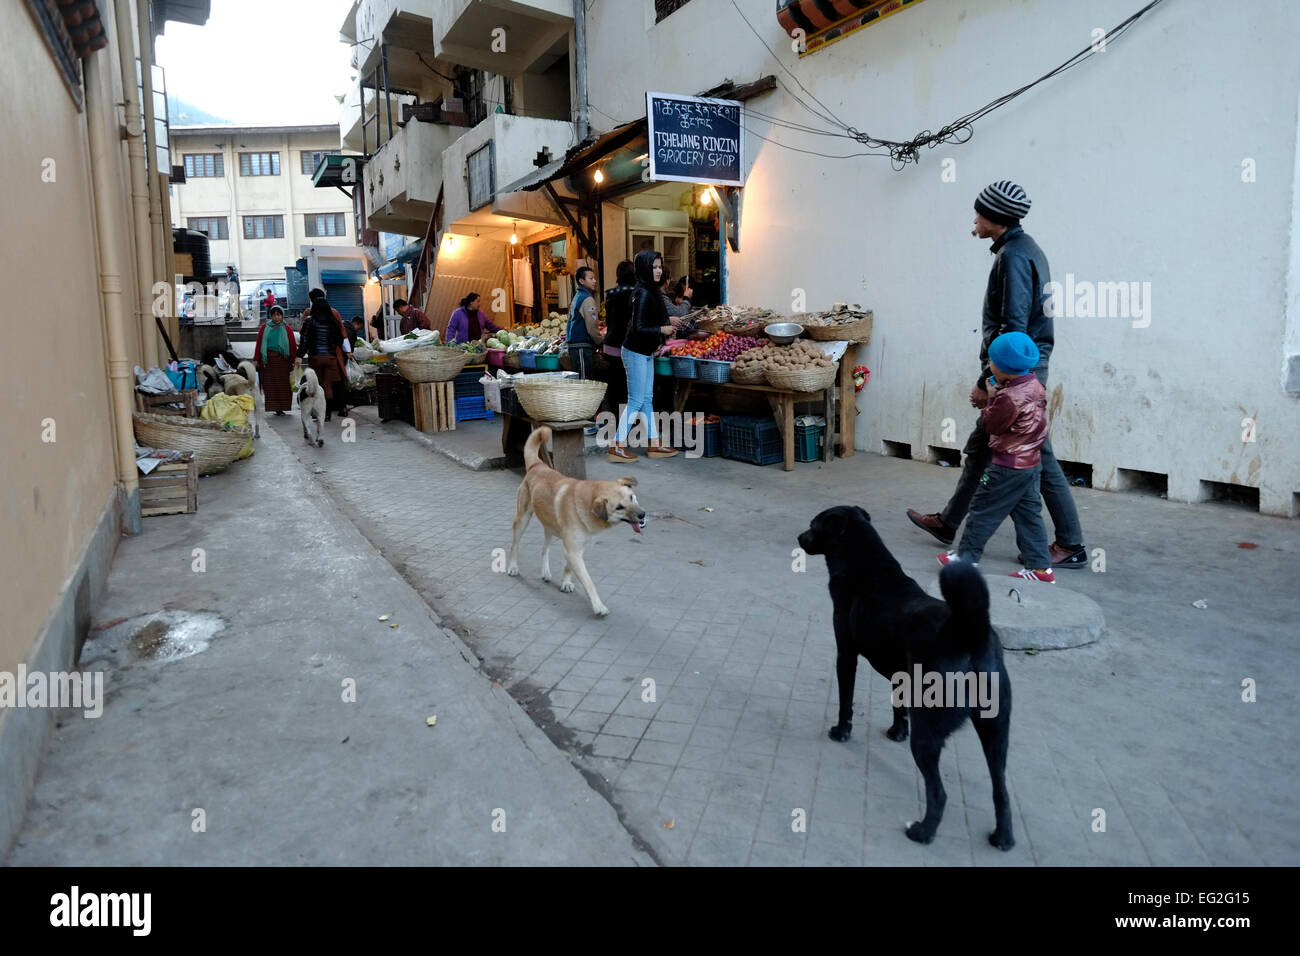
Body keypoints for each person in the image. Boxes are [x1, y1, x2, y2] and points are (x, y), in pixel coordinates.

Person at [907, 181, 1086, 569]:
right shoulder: (1021, 249)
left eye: (979, 213)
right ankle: (949, 521)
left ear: (996, 218)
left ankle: (1071, 543)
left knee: (1038, 454)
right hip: (1018, 365)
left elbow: (1014, 328)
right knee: (983, 447)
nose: (974, 220)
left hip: (1017, 368)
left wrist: (989, 381)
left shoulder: (1015, 257)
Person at [937, 332, 1055, 583]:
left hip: (1006, 465)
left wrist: (991, 398)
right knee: (1028, 513)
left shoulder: (1008, 398)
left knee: (982, 510)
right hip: (1030, 463)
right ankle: (1040, 567)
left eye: (991, 362)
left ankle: (965, 559)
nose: (989, 365)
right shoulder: (1035, 386)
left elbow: (992, 425)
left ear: (1003, 368)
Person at [610, 249, 682, 461]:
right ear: (644, 269)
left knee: (647, 399)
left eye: (660, 266)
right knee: (635, 401)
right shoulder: (642, 293)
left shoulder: (652, 291)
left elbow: (651, 323)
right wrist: (662, 330)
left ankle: (654, 443)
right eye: (654, 267)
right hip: (635, 352)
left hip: (645, 352)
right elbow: (638, 328)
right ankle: (617, 446)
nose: (659, 271)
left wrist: (664, 330)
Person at [297, 295, 349, 420]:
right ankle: (328, 414)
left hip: (315, 358)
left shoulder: (310, 321)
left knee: (317, 386)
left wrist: (299, 355)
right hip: (330, 358)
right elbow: (340, 339)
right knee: (328, 385)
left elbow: (303, 340)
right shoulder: (333, 321)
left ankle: (319, 412)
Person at [600, 260, 637, 418]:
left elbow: (609, 321)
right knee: (629, 387)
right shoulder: (635, 294)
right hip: (627, 346)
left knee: (615, 386)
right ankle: (628, 422)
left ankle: (615, 419)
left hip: (610, 345)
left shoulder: (611, 294)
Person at [253, 306, 297, 416]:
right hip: (268, 362)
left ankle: (282, 407)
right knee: (270, 385)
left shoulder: (287, 329)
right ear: (271, 316)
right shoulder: (265, 328)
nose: (276, 317)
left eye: (279, 315)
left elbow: (292, 346)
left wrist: (293, 360)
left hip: (283, 362)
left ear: (282, 315)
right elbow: (259, 344)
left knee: (283, 385)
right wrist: (256, 359)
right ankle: (274, 407)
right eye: (274, 315)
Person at [565, 265, 604, 380]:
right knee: (584, 381)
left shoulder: (577, 296)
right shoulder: (587, 299)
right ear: (582, 281)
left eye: (594, 278)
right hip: (581, 346)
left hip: (574, 346)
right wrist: (600, 340)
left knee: (580, 380)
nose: (594, 281)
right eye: (591, 278)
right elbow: (592, 327)